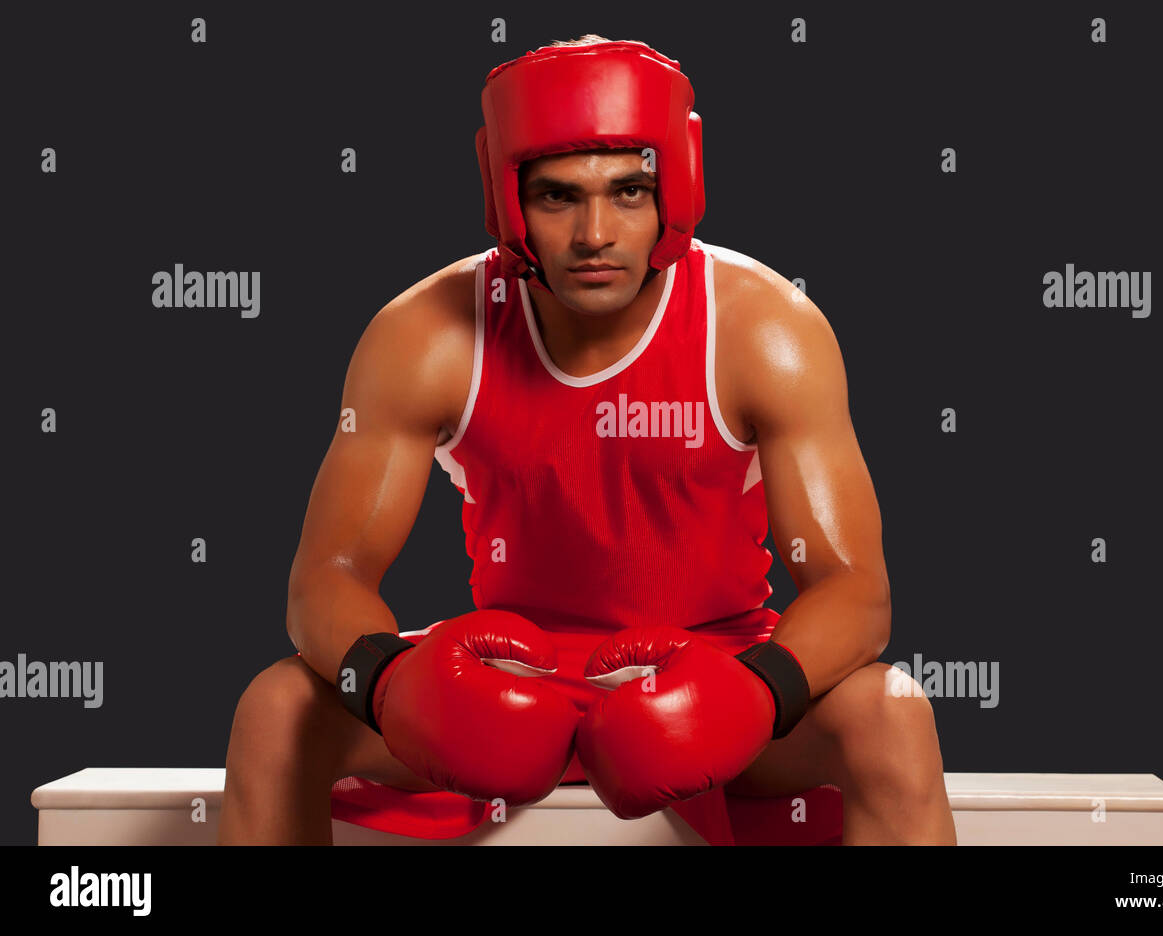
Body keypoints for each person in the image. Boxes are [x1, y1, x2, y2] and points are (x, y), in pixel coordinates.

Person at [218, 35, 957, 846]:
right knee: (277, 709)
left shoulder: (763, 329)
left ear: (674, 189)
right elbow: (325, 577)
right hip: (508, 673)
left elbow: (857, 591)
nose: (595, 233)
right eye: (559, 196)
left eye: (629, 192)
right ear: (508, 201)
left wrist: (758, 693)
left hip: (714, 667)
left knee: (891, 713)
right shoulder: (426, 335)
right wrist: (390, 680)